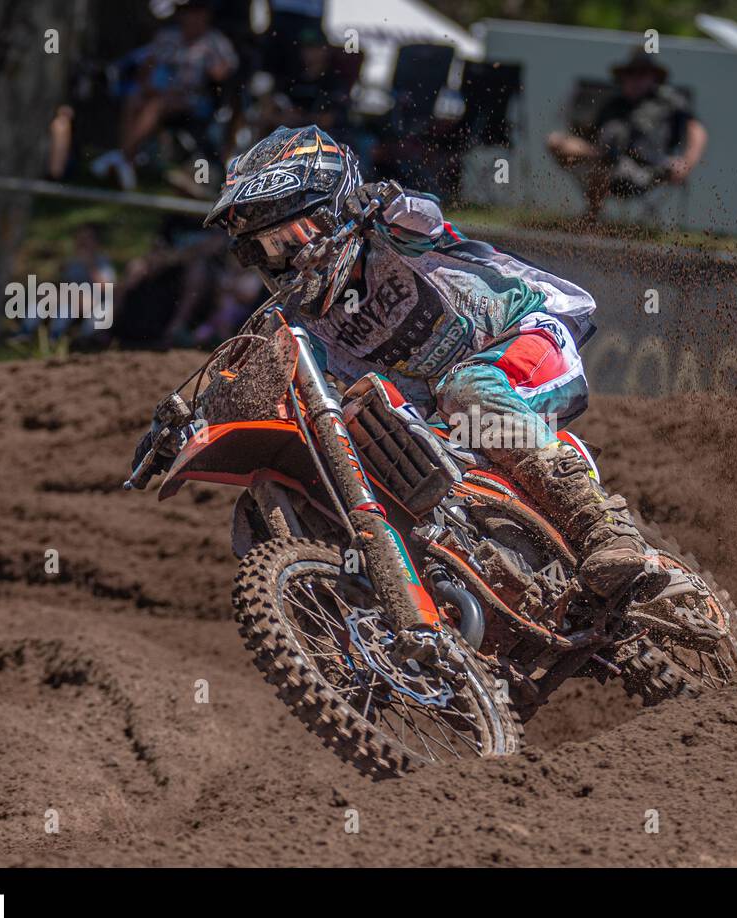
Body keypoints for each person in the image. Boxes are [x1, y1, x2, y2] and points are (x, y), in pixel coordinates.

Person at [137, 125, 668, 601]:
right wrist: (187, 419)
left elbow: (425, 215)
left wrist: (383, 201)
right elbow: (249, 373)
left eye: (292, 236)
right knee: (370, 443)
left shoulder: (388, 226)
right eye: (269, 247)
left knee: (470, 389)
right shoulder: (294, 319)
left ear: (333, 207)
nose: (288, 257)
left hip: (525, 334)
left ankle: (604, 529)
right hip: (441, 407)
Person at [91, 0, 238, 190]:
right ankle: (126, 160)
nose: (193, 18)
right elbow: (146, 67)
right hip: (162, 92)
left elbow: (224, 75)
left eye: (198, 12)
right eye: (188, 12)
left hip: (194, 100)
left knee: (156, 106)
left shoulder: (215, 41)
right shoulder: (168, 37)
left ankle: (123, 157)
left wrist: (213, 66)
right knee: (135, 99)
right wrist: (147, 86)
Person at [546, 49, 706, 220]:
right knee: (556, 141)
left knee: (603, 168)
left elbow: (696, 130)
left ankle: (591, 219)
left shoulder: (666, 103)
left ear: (654, 77)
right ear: (623, 77)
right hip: (600, 157)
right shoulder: (612, 105)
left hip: (646, 169)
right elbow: (590, 136)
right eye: (631, 73)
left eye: (643, 73)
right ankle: (594, 206)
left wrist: (687, 163)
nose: (636, 79)